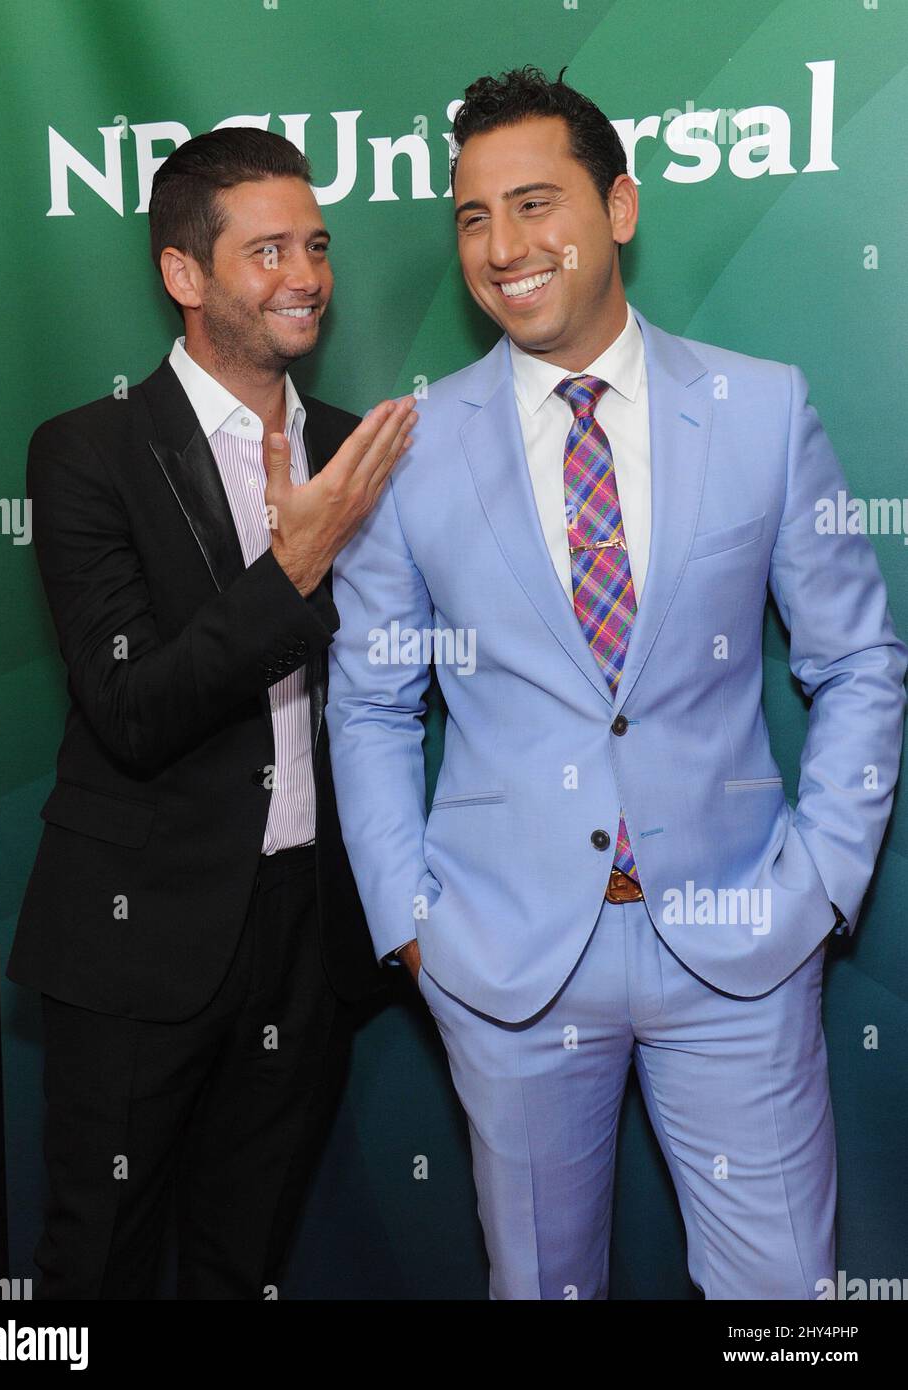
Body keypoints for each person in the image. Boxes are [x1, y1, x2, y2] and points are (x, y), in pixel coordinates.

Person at [325, 68, 907, 1300]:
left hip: (740, 946)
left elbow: (856, 657)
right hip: (505, 962)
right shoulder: (412, 450)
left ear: (619, 208)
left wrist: (817, 882)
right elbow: (371, 699)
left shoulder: (759, 410)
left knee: (781, 1304)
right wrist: (411, 924)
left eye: (534, 203)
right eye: (472, 217)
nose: (502, 247)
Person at [8, 126, 416, 1299]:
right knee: (95, 1267)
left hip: (308, 934)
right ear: (183, 273)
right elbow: (132, 708)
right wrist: (293, 568)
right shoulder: (86, 451)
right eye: (268, 250)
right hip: (137, 934)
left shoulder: (353, 449)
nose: (306, 275)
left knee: (245, 1264)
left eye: (317, 246)